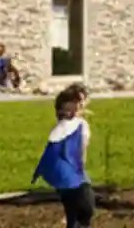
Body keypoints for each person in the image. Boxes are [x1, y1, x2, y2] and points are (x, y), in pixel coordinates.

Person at [32, 84, 95, 227]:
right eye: (78, 102)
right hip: (68, 171)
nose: (81, 105)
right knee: (84, 207)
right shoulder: (70, 124)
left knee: (80, 209)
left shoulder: (79, 124)